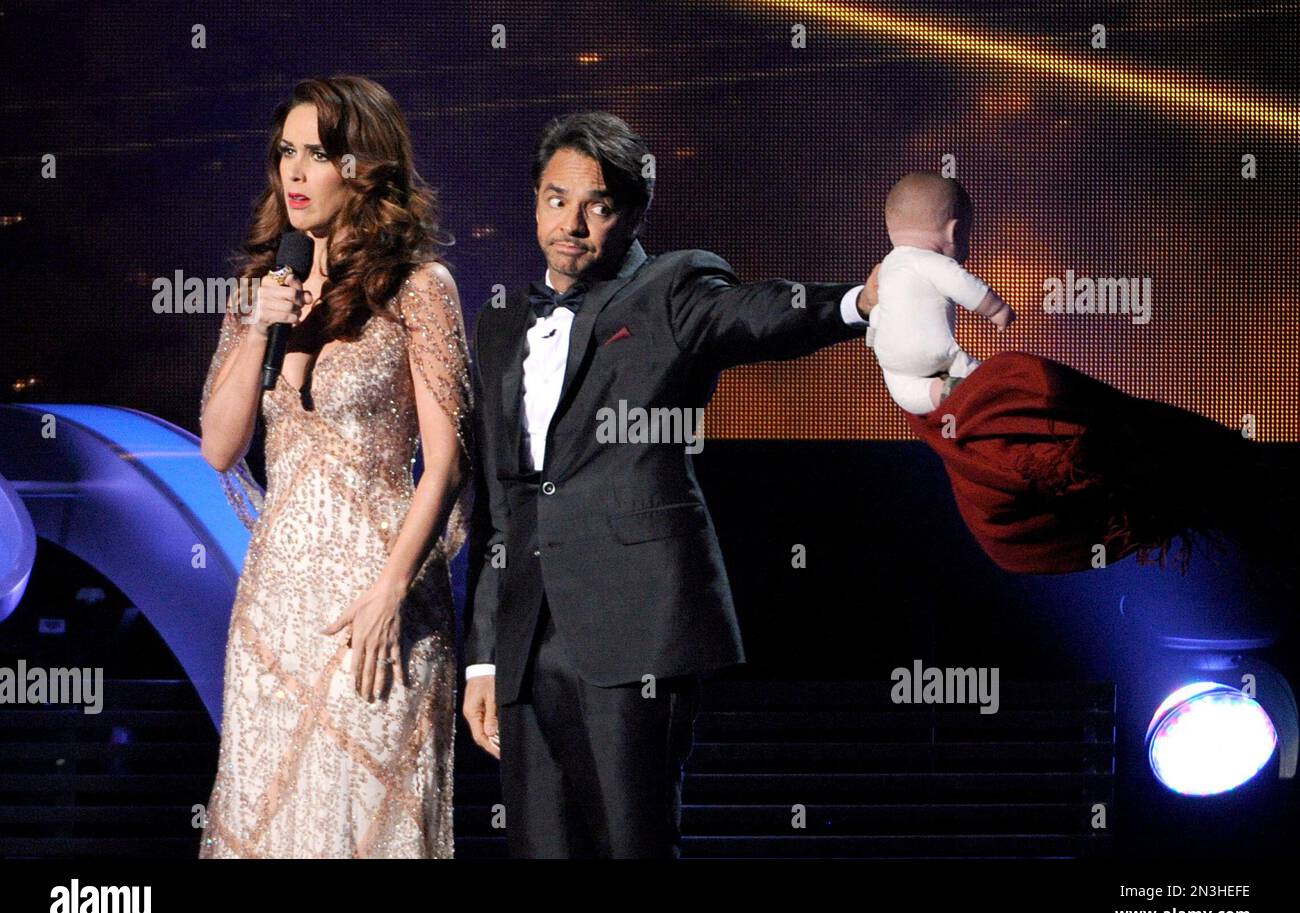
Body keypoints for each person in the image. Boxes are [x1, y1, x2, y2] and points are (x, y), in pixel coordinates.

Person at [461, 111, 878, 858]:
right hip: (528, 636)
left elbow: (757, 314)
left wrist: (856, 305)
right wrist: (486, 656)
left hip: (635, 624)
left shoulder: (672, 286)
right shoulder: (499, 324)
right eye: (557, 200)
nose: (573, 224)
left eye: (599, 206)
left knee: (635, 844)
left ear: (631, 214)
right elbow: (500, 505)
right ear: (533, 202)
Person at [197, 76, 471, 858]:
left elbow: (446, 464)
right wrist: (257, 331)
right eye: (286, 152)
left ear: (363, 168)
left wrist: (388, 593)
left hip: (377, 605)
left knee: (367, 818)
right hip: (275, 608)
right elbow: (219, 447)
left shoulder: (419, 286)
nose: (294, 173)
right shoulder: (262, 290)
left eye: (316, 155)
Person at [866, 171, 1014, 414]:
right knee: (966, 368)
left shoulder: (888, 266)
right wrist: (996, 309)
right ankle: (980, 388)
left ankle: (940, 393)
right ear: (954, 232)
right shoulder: (930, 262)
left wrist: (873, 335)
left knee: (903, 391)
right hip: (934, 352)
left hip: (890, 357)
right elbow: (962, 284)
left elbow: (880, 308)